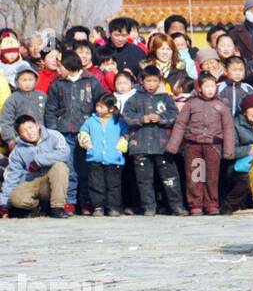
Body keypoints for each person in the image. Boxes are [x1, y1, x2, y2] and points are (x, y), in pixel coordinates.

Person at [166, 72, 235, 216]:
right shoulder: (191, 104)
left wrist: (229, 150)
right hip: (193, 144)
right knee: (195, 175)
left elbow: (228, 128)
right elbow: (180, 124)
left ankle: (211, 203)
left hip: (213, 145)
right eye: (206, 86)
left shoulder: (221, 105)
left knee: (211, 175)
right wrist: (173, 145)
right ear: (199, 88)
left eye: (212, 86)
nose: (210, 89)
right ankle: (195, 203)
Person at [122, 66, 185, 216]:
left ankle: (176, 206)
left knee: (170, 177)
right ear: (141, 82)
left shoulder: (166, 98)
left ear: (159, 82)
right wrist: (141, 119)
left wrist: (161, 119)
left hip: (163, 145)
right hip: (140, 145)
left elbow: (175, 116)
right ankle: (148, 206)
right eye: (148, 81)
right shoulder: (134, 99)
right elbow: (127, 117)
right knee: (144, 180)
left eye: (154, 81)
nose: (151, 84)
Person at [44, 51, 100, 213]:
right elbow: (50, 110)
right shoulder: (57, 84)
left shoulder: (91, 82)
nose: (58, 70)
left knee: (87, 168)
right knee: (69, 169)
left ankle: (86, 201)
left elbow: (101, 103)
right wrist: (53, 132)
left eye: (60, 66)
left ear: (69, 66)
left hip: (86, 132)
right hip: (64, 132)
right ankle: (70, 200)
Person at [1, 115, 73, 218]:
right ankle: (38, 207)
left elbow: (65, 154)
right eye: (24, 131)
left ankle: (57, 207)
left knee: (60, 166)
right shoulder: (17, 151)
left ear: (37, 126)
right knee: (14, 198)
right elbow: (12, 177)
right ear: (20, 135)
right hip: (32, 183)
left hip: (51, 182)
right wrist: (4, 204)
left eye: (31, 128)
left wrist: (39, 161)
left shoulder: (54, 136)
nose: (29, 133)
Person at [77, 93, 128, 216]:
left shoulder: (119, 121)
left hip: (114, 158)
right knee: (96, 184)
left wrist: (120, 147)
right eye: (97, 106)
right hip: (95, 158)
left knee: (113, 185)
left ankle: (113, 207)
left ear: (111, 108)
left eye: (102, 106)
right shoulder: (90, 121)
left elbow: (125, 135)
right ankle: (98, 206)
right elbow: (83, 133)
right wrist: (88, 144)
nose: (98, 109)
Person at [222, 93, 253, 214]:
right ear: (244, 111)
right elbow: (230, 151)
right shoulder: (235, 125)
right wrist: (250, 149)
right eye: (252, 108)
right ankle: (229, 205)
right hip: (239, 166)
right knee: (248, 179)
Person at [1, 63, 45, 151]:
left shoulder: (42, 96)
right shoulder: (13, 99)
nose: (27, 83)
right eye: (24, 80)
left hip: (42, 138)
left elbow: (49, 116)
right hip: (20, 140)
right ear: (17, 81)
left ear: (35, 80)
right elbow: (6, 120)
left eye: (30, 80)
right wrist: (10, 139)